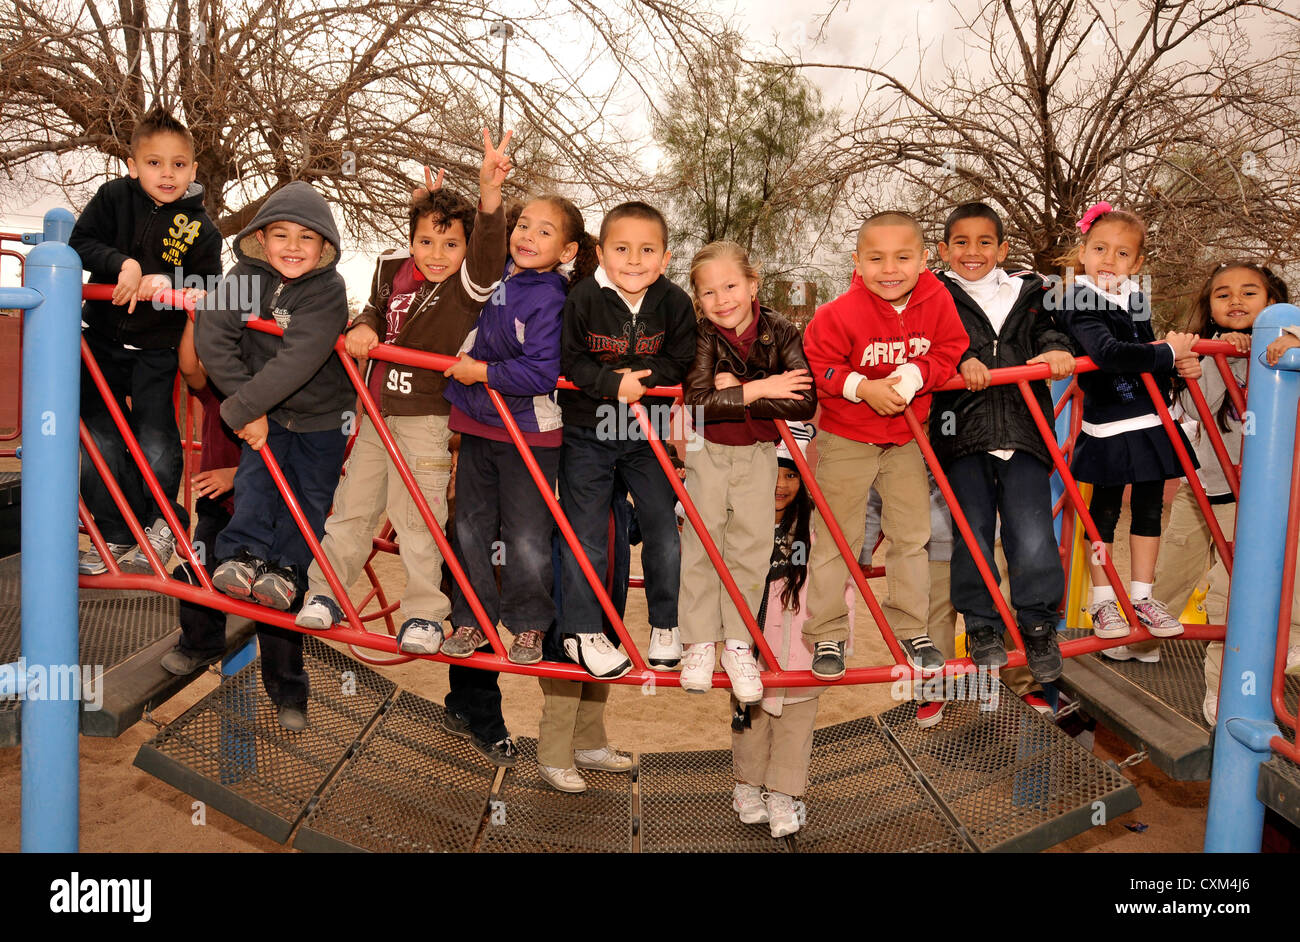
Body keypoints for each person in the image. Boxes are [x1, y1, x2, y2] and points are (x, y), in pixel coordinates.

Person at [294, 131, 511, 656]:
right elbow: (374, 308)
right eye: (427, 242)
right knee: (351, 510)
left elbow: (486, 251)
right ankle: (325, 593)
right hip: (374, 412)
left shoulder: (467, 285)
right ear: (410, 240)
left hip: (425, 418)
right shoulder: (393, 268)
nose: (438, 255)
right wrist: (365, 325)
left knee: (419, 517)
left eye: (451, 244)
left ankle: (423, 613)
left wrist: (489, 195)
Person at [195, 181, 354, 731]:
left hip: (321, 415)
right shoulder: (244, 280)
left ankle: (287, 569)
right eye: (280, 234)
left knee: (309, 499)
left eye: (307, 237)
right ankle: (240, 556)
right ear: (260, 239)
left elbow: (300, 358)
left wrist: (242, 406)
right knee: (258, 481)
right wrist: (248, 407)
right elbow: (213, 338)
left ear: (325, 247)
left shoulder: (326, 290)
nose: (292, 246)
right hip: (266, 411)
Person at [1124, 264, 1298, 725]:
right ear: (1209, 307)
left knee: (1233, 589)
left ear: (1273, 300)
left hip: (1258, 498)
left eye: (1249, 292)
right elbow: (1191, 406)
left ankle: (1226, 691)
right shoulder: (1202, 350)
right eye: (1223, 294)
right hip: (1207, 486)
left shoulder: (1285, 348)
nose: (1235, 300)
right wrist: (1203, 359)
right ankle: (1140, 639)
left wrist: (1288, 340)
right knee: (1172, 567)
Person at [801, 211, 969, 681]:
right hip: (846, 436)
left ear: (923, 260)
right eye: (876, 258)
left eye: (902, 257)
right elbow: (819, 364)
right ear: (857, 261)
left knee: (911, 536)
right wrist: (861, 386)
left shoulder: (938, 302)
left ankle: (912, 628)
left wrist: (916, 375)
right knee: (839, 537)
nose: (889, 269)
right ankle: (829, 632)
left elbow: (951, 347)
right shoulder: (836, 313)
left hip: (906, 440)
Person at [438, 194, 598, 665]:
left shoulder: (551, 297)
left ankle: (528, 625)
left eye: (544, 232)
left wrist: (482, 373)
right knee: (469, 526)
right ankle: (471, 620)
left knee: (525, 535)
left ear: (567, 251)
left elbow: (541, 372)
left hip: (529, 430)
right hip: (479, 422)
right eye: (522, 225)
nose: (527, 235)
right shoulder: (496, 274)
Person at [71, 105, 222, 576]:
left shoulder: (202, 227)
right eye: (154, 163)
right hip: (100, 343)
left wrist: (177, 286)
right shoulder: (113, 197)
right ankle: (115, 534)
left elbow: (210, 284)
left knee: (155, 441)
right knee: (100, 444)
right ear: (133, 165)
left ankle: (159, 521)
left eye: (178, 164)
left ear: (193, 171)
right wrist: (124, 265)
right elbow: (80, 243)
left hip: (157, 350)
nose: (166, 173)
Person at [929, 201, 1074, 688]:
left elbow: (1049, 330)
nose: (973, 252)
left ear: (1003, 249)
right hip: (961, 432)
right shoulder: (934, 294)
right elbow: (932, 343)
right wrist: (963, 359)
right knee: (971, 532)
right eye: (962, 243)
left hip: (1023, 429)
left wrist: (1057, 348)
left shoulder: (1029, 291)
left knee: (1032, 533)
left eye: (985, 242)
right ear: (944, 249)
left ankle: (1037, 625)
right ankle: (982, 626)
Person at [556, 201, 697, 678]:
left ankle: (665, 624)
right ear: (600, 253)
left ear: (666, 256)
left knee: (662, 527)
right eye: (621, 248)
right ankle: (583, 630)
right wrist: (610, 383)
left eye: (646, 250)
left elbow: (681, 360)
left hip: (644, 433)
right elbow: (570, 360)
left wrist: (645, 376)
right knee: (587, 532)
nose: (634, 260)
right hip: (587, 431)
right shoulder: (582, 298)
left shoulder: (674, 302)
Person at [678, 241, 816, 703]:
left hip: (759, 453)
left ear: (753, 285)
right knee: (702, 544)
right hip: (708, 453)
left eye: (732, 286)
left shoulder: (780, 331)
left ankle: (738, 644)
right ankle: (698, 643)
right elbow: (698, 406)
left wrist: (739, 390)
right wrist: (761, 388)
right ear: (699, 300)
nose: (723, 300)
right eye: (710, 293)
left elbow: (804, 399)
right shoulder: (702, 335)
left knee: (751, 547)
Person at [1056, 202, 1201, 641]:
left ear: (1136, 264)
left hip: (1150, 420)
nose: (1109, 260)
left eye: (1122, 254)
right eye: (1100, 248)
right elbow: (1108, 354)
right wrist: (1168, 352)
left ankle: (1142, 594)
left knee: (1149, 508)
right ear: (1083, 252)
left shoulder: (1134, 296)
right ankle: (1102, 600)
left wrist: (1176, 366)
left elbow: (1147, 355)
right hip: (1109, 424)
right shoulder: (1076, 298)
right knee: (1103, 512)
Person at [731, 424, 823, 838]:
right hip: (752, 647)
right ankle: (747, 788)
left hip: (801, 647)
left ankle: (784, 794)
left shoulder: (816, 529)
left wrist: (835, 640)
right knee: (750, 721)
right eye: (774, 472)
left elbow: (841, 588)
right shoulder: (741, 522)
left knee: (796, 724)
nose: (781, 484)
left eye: (791, 474)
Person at [158, 315, 246, 674]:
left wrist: (236, 475)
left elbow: (287, 461)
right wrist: (195, 317)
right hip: (215, 508)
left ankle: (283, 676)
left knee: (264, 584)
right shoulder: (217, 395)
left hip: (259, 508)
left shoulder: (279, 404)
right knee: (196, 570)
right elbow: (188, 366)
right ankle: (200, 644)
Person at [536, 478, 636, 793]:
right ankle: (553, 757)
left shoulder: (620, 507)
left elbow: (639, 532)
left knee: (596, 685)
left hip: (603, 616)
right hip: (563, 620)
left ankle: (588, 744)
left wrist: (667, 490)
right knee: (563, 690)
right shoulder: (562, 508)